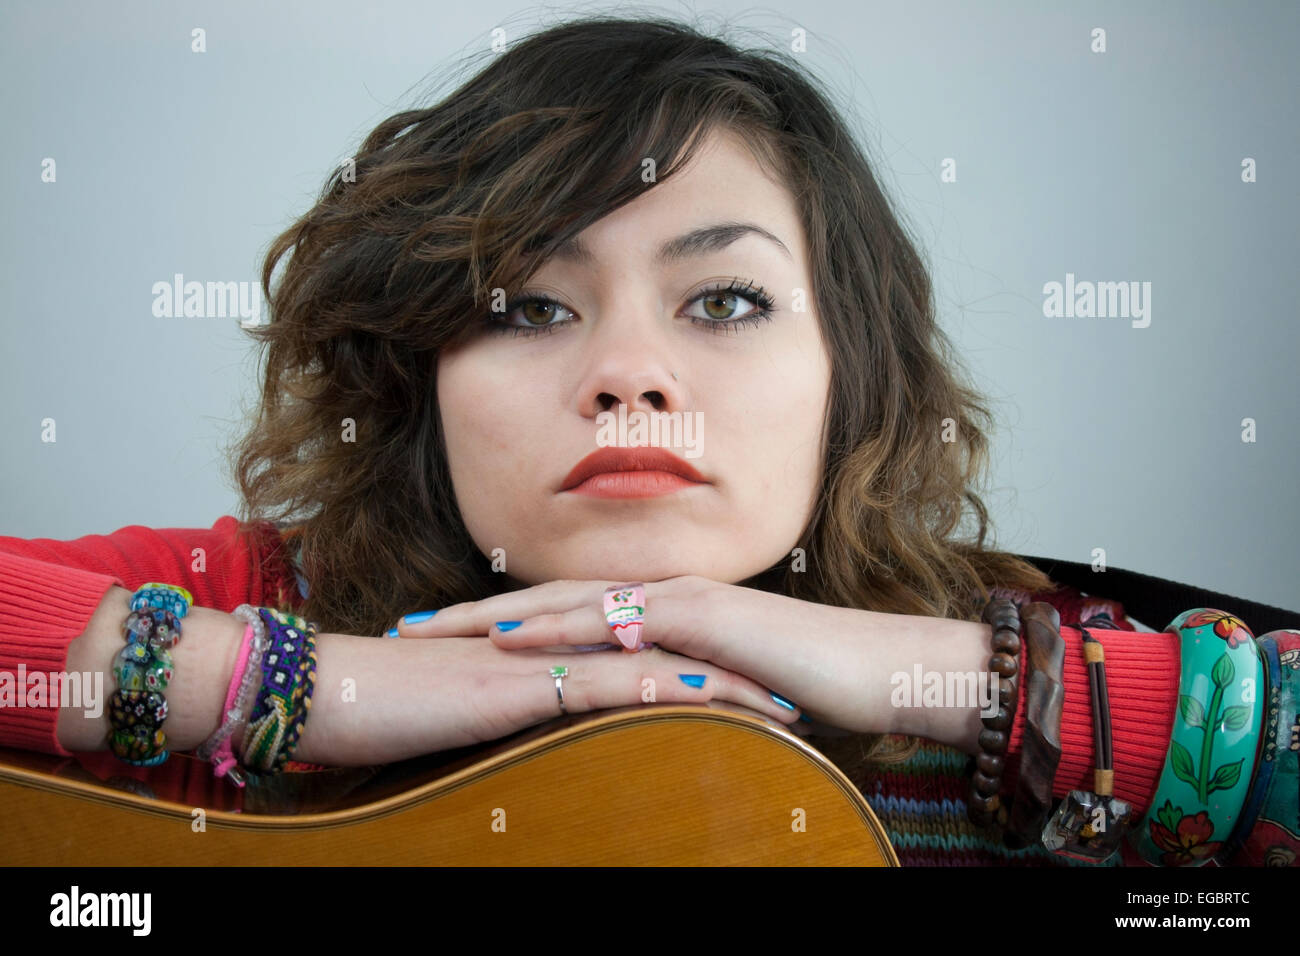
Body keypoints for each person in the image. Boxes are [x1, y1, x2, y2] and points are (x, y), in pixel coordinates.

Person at [1, 15, 1294, 867]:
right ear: (422, 376)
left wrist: (968, 686)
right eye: (531, 306)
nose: (627, 372)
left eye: (725, 300)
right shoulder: (263, 607)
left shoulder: (1023, 675)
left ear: (851, 375)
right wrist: (304, 691)